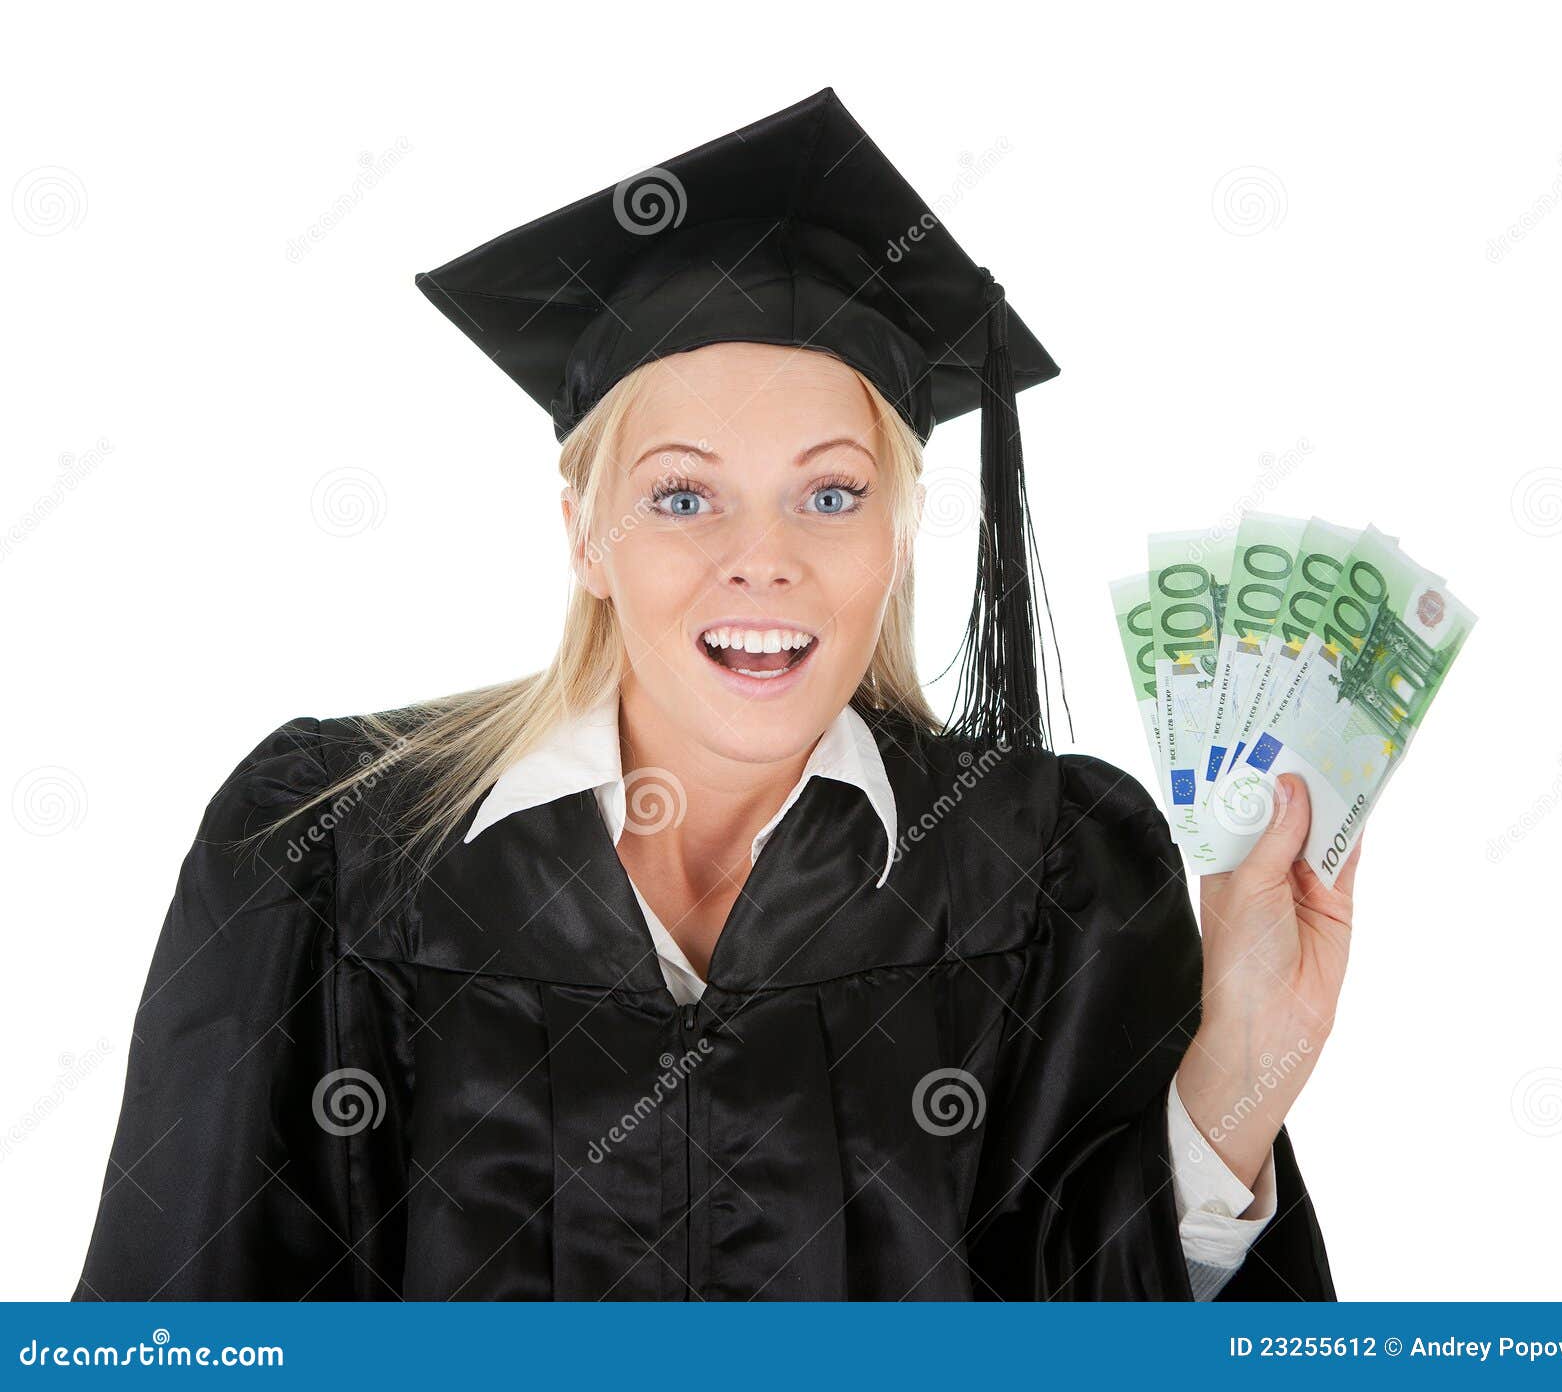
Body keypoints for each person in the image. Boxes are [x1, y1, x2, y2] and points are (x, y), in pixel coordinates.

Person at [74, 88, 1351, 1301]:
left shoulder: (1048, 868)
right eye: (682, 495)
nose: (765, 556)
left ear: (898, 535)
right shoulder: (333, 848)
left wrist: (1241, 1071)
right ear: (585, 533)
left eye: (832, 493)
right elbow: (181, 1314)